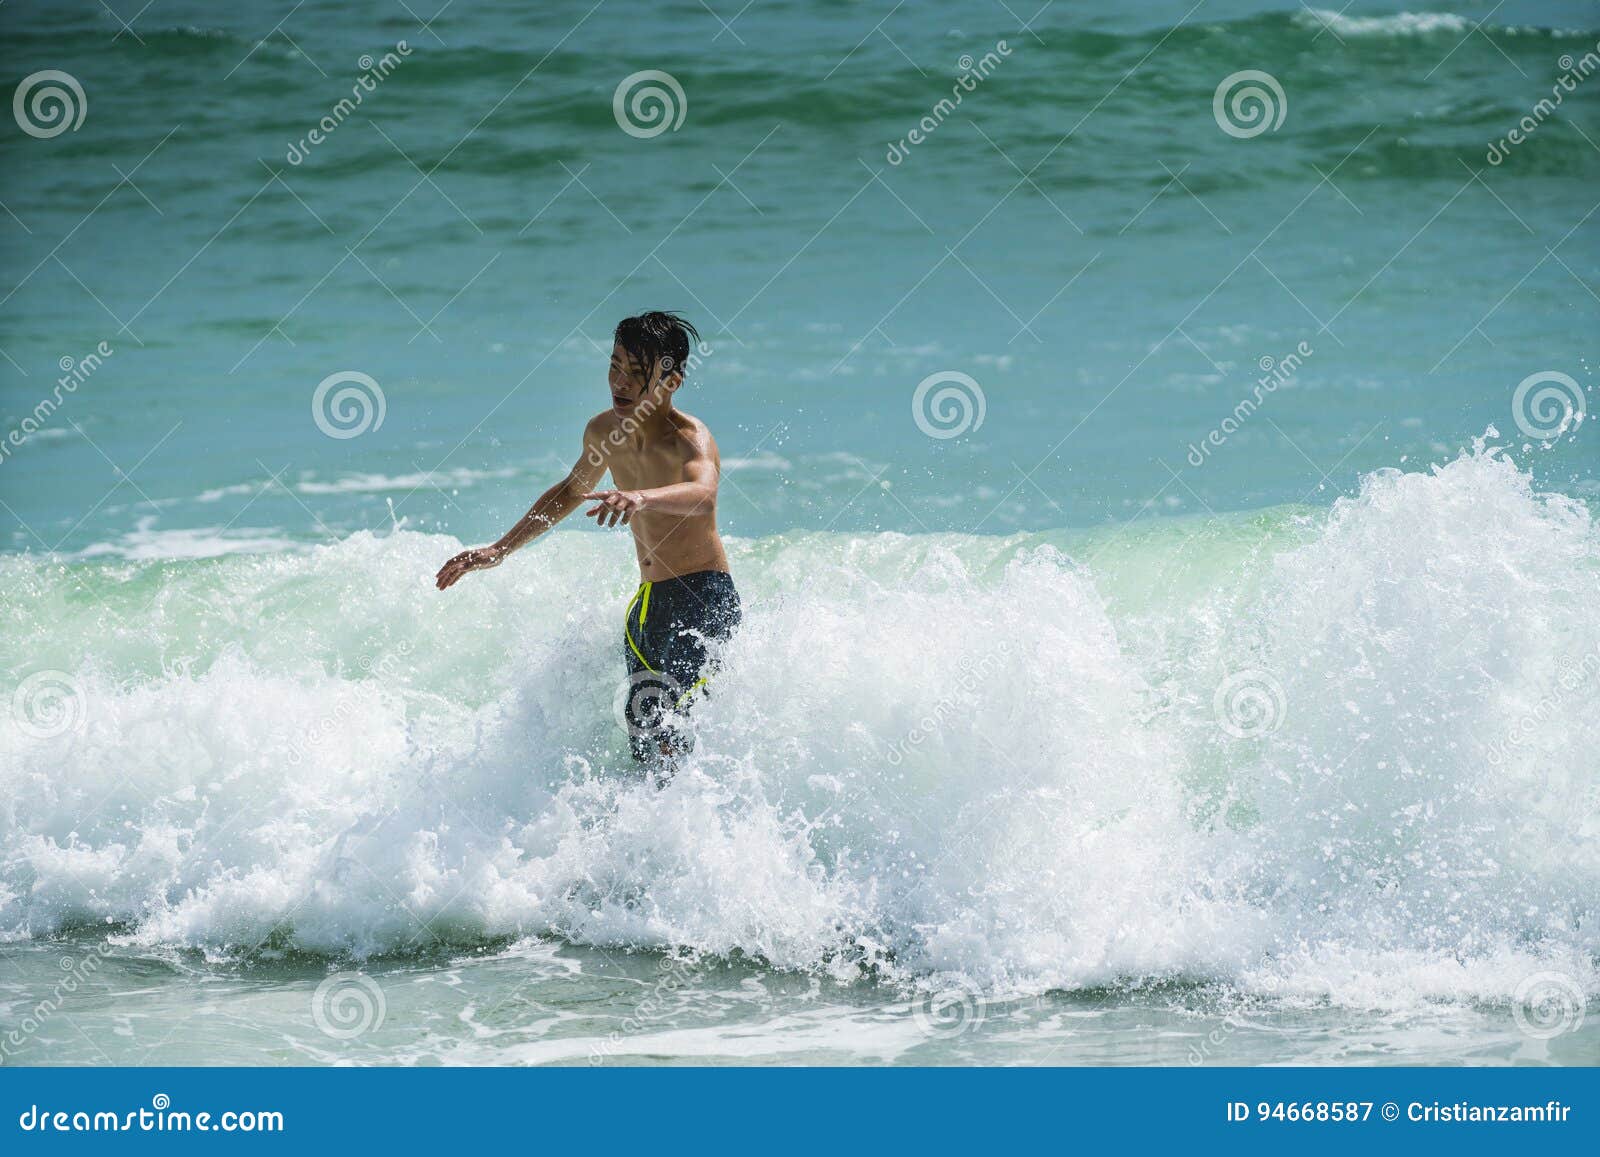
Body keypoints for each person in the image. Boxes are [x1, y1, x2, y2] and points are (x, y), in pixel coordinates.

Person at [435, 312, 740, 765]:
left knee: (676, 737)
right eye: (615, 365)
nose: (620, 381)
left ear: (671, 381)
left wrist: (640, 497)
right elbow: (570, 491)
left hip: (701, 599)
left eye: (638, 373)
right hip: (648, 604)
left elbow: (702, 494)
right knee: (646, 739)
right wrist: (500, 549)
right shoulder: (605, 433)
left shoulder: (689, 439)